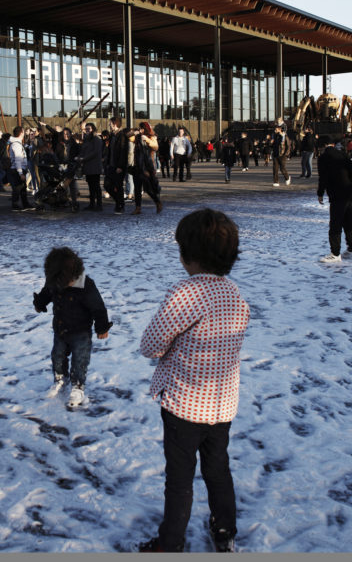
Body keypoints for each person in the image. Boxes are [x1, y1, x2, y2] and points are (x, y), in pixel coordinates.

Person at [138, 208, 250, 553]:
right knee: (218, 469)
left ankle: (170, 543)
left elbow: (151, 345)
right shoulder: (235, 295)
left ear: (189, 255)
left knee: (180, 479)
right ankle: (224, 530)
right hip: (222, 405)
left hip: (184, 405)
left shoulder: (186, 294)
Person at [33, 247, 112, 408]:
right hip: (60, 329)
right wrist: (39, 304)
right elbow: (46, 293)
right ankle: (60, 378)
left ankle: (78, 386)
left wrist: (102, 328)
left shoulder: (86, 286)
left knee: (80, 360)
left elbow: (98, 308)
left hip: (81, 332)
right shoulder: (55, 281)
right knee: (57, 356)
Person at [316, 135, 352, 263]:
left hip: (337, 194)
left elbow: (323, 178)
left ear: (322, 146)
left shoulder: (323, 158)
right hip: (350, 192)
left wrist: (320, 193)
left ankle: (335, 253)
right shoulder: (343, 154)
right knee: (349, 222)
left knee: (335, 224)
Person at [7, 126, 34, 211]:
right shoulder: (16, 145)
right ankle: (15, 204)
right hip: (17, 169)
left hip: (18, 169)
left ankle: (25, 204)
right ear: (21, 133)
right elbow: (18, 160)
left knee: (22, 187)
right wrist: (20, 173)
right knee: (18, 188)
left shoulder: (16, 143)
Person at [79, 122, 103, 211]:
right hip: (88, 166)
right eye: (86, 129)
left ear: (93, 129)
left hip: (94, 166)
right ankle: (92, 204)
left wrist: (84, 158)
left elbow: (95, 152)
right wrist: (80, 157)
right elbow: (83, 150)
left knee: (96, 186)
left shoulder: (96, 139)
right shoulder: (86, 139)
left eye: (89, 128)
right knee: (90, 186)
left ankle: (99, 205)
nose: (87, 130)